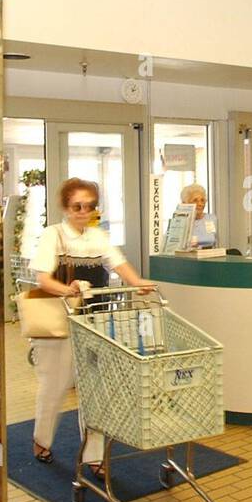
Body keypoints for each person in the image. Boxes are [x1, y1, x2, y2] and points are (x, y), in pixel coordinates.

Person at [30, 178, 153, 470]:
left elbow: (118, 263)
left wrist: (137, 282)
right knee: (54, 385)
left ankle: (94, 455)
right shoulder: (53, 235)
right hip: (57, 323)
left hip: (94, 321)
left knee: (97, 388)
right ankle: (41, 439)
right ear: (65, 207)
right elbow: (42, 278)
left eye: (90, 206)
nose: (84, 211)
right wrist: (67, 290)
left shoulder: (98, 236)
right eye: (77, 206)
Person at [179, 183, 216, 248]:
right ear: (185, 203)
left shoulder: (211, 219)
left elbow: (213, 241)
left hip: (209, 255)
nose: (200, 204)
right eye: (195, 200)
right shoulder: (180, 221)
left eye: (202, 200)